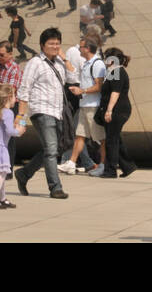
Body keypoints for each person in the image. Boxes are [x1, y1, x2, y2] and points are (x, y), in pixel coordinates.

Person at [15, 27, 74, 199]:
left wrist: (64, 58)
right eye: (51, 44)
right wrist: (21, 117)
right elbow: (24, 89)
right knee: (50, 149)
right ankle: (55, 187)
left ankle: (24, 174)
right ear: (42, 45)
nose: (55, 46)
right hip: (41, 110)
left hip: (58, 111)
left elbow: (73, 78)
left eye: (57, 44)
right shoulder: (35, 63)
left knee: (55, 149)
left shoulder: (59, 63)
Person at [61, 36, 106, 175]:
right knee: (79, 135)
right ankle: (71, 163)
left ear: (87, 49)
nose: (78, 49)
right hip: (85, 105)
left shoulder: (97, 64)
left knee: (101, 138)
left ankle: (103, 166)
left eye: (80, 47)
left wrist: (83, 91)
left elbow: (99, 86)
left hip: (94, 106)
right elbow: (74, 73)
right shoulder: (87, 63)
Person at [96, 47, 136, 178]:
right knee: (116, 139)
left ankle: (111, 170)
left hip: (118, 111)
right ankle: (128, 166)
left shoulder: (117, 72)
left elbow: (115, 92)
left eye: (106, 57)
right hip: (117, 110)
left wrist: (109, 111)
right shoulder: (113, 72)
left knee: (111, 141)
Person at [0, 82, 25, 207]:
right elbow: (9, 131)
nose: (16, 99)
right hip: (0, 147)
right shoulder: (8, 112)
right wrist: (19, 131)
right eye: (14, 96)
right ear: (8, 98)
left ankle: (2, 198)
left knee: (1, 172)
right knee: (2, 174)